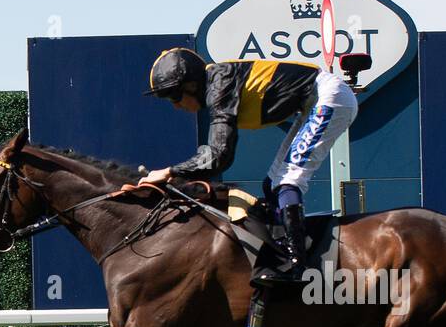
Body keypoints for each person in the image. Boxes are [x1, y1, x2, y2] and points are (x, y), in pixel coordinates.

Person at [140, 47, 359, 284]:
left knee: (287, 182)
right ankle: (285, 250)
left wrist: (170, 171)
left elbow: (219, 155)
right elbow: (216, 156)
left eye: (174, 96)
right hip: (314, 100)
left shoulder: (220, 85)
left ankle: (298, 265)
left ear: (191, 85)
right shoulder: (217, 83)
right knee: (272, 184)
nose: (175, 106)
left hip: (328, 97)